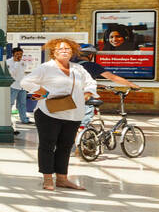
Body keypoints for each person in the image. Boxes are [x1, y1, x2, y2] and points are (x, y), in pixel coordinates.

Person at [23, 37, 97, 192]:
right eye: (60, 49)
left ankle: (62, 179)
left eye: (67, 49)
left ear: (73, 52)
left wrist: (88, 93)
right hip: (49, 114)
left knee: (65, 147)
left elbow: (90, 82)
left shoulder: (78, 68)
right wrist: (44, 93)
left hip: (73, 114)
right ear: (53, 52)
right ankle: (48, 179)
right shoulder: (46, 68)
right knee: (47, 146)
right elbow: (26, 82)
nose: (64, 51)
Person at [75, 43, 138, 129]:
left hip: (68, 99)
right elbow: (113, 77)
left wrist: (98, 85)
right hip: (84, 98)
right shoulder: (92, 66)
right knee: (82, 124)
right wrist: (132, 85)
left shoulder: (68, 65)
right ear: (90, 55)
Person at [7, 47, 31, 126]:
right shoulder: (8, 62)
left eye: (21, 54)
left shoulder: (23, 63)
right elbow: (12, 74)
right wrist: (16, 63)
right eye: (17, 54)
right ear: (13, 54)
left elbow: (22, 73)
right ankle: (6, 119)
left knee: (22, 103)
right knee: (10, 103)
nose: (19, 56)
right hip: (13, 86)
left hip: (22, 86)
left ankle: (24, 119)